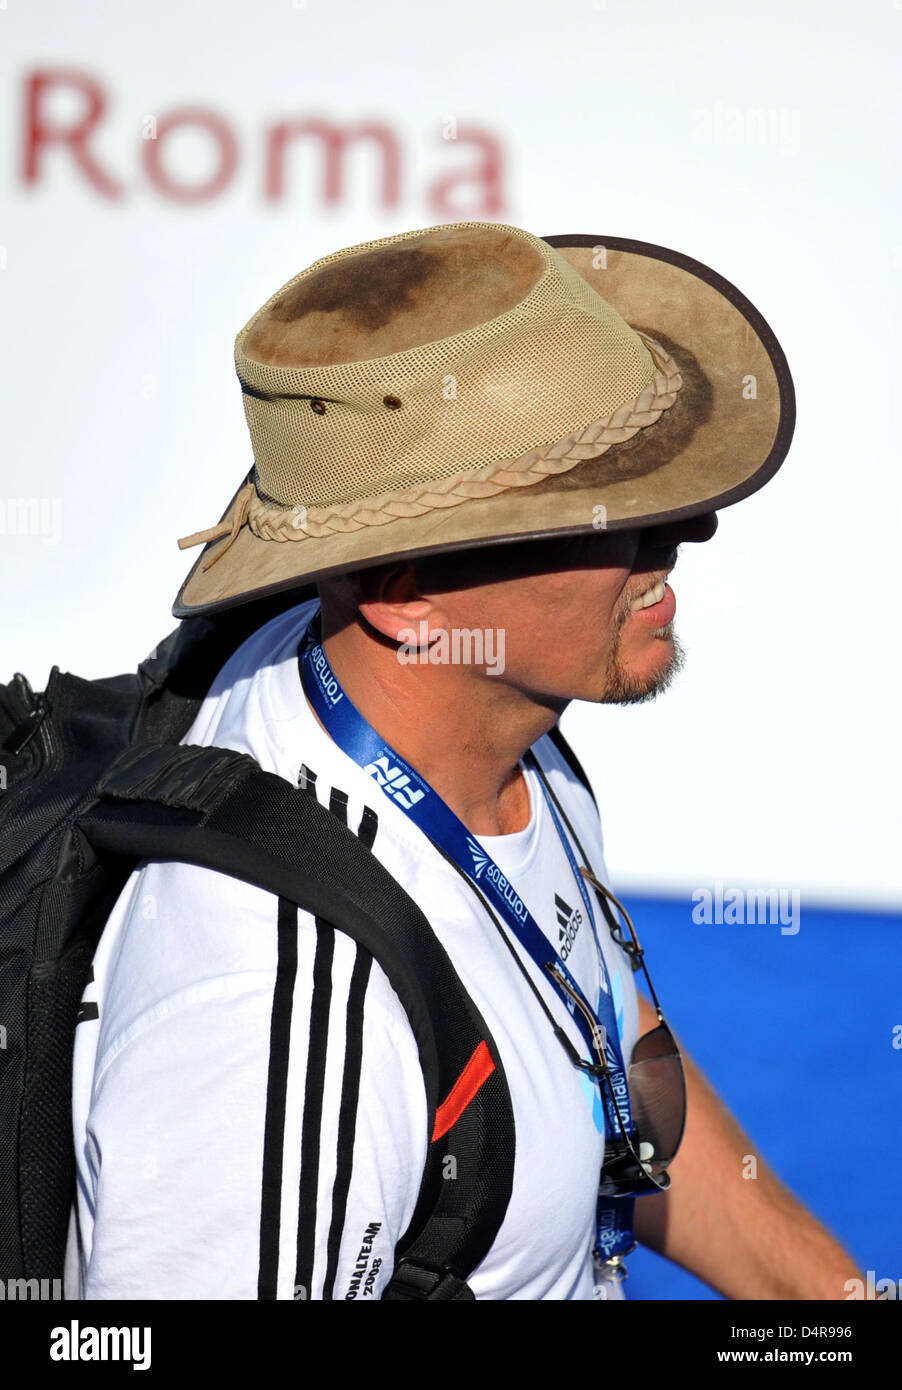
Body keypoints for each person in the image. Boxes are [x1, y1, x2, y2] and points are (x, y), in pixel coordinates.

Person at [65, 221, 861, 1300]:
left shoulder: (499, 723)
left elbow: (597, 1074)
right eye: (601, 509)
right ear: (404, 597)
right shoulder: (263, 1009)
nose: (684, 534)